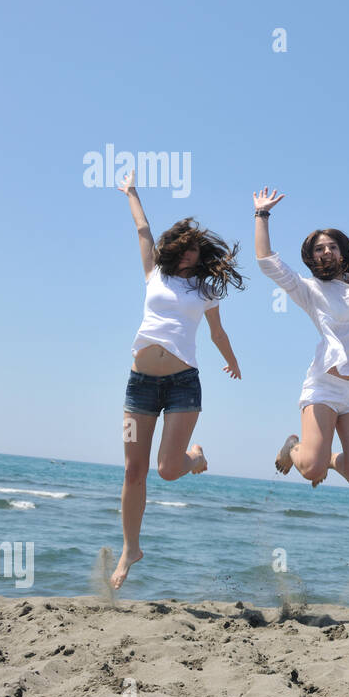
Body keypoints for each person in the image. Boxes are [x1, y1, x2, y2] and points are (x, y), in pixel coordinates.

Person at [113, 169, 244, 589]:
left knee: (169, 470)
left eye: (195, 250)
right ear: (174, 249)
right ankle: (130, 548)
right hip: (140, 385)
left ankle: (196, 456)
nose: (189, 255)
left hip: (184, 384)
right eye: (184, 248)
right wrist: (132, 191)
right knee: (134, 472)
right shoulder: (154, 271)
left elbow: (217, 332)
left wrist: (232, 360)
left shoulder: (206, 290)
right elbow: (142, 227)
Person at [255, 167, 349, 488]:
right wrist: (261, 214)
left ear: (343, 252)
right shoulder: (308, 290)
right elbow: (266, 261)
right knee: (310, 468)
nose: (326, 251)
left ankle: (325, 459)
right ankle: (294, 446)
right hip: (325, 387)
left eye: (332, 246)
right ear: (311, 257)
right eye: (319, 248)